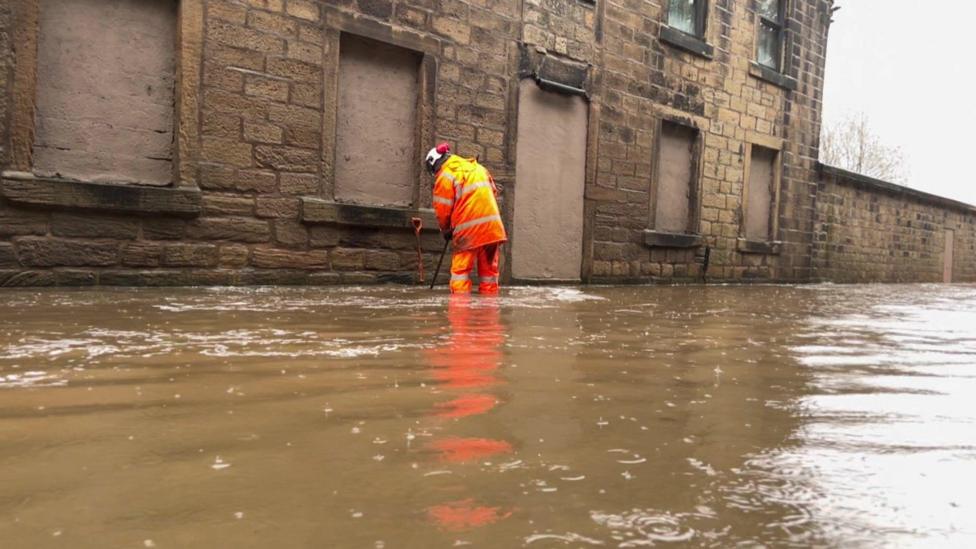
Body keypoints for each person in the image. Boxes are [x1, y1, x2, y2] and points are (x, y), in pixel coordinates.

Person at [425, 143, 507, 294]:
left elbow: (443, 209)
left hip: (468, 230)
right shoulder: (479, 168)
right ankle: (489, 310)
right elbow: (493, 193)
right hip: (492, 228)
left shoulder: (446, 175)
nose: (435, 174)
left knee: (460, 274)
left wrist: (446, 230)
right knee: (489, 275)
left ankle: (459, 311)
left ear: (434, 163)